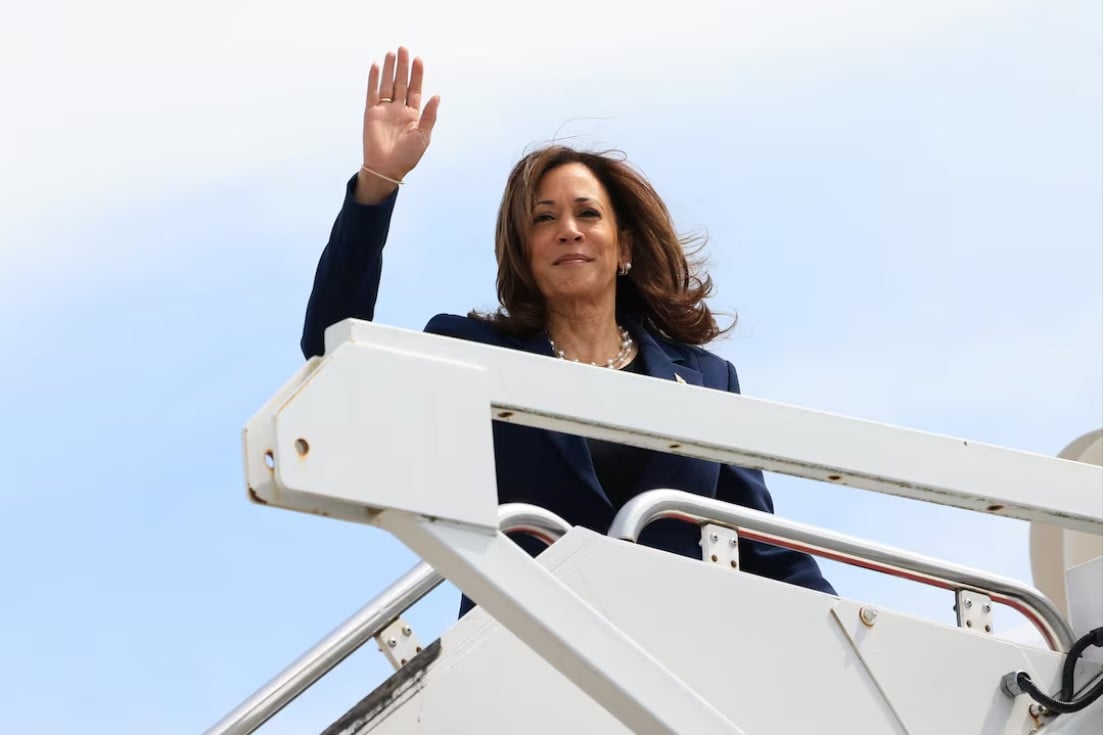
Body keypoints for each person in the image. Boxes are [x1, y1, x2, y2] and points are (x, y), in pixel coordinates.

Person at [302, 47, 836, 608]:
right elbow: (331, 352)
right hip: (525, 656)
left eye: (588, 213)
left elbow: (766, 549)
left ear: (623, 245)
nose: (568, 230)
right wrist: (377, 184)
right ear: (523, 252)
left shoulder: (707, 378)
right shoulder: (470, 353)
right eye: (544, 218)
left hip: (682, 661)